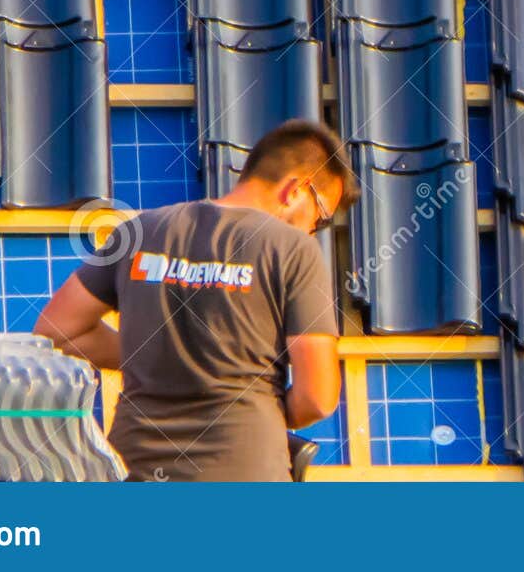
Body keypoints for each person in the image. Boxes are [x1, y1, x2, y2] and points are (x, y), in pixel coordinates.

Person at [34, 119, 356, 483]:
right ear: (295, 189)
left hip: (135, 468)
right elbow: (318, 397)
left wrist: (157, 356)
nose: (314, 228)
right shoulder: (293, 248)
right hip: (244, 471)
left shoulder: (138, 232)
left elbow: (57, 331)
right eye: (321, 216)